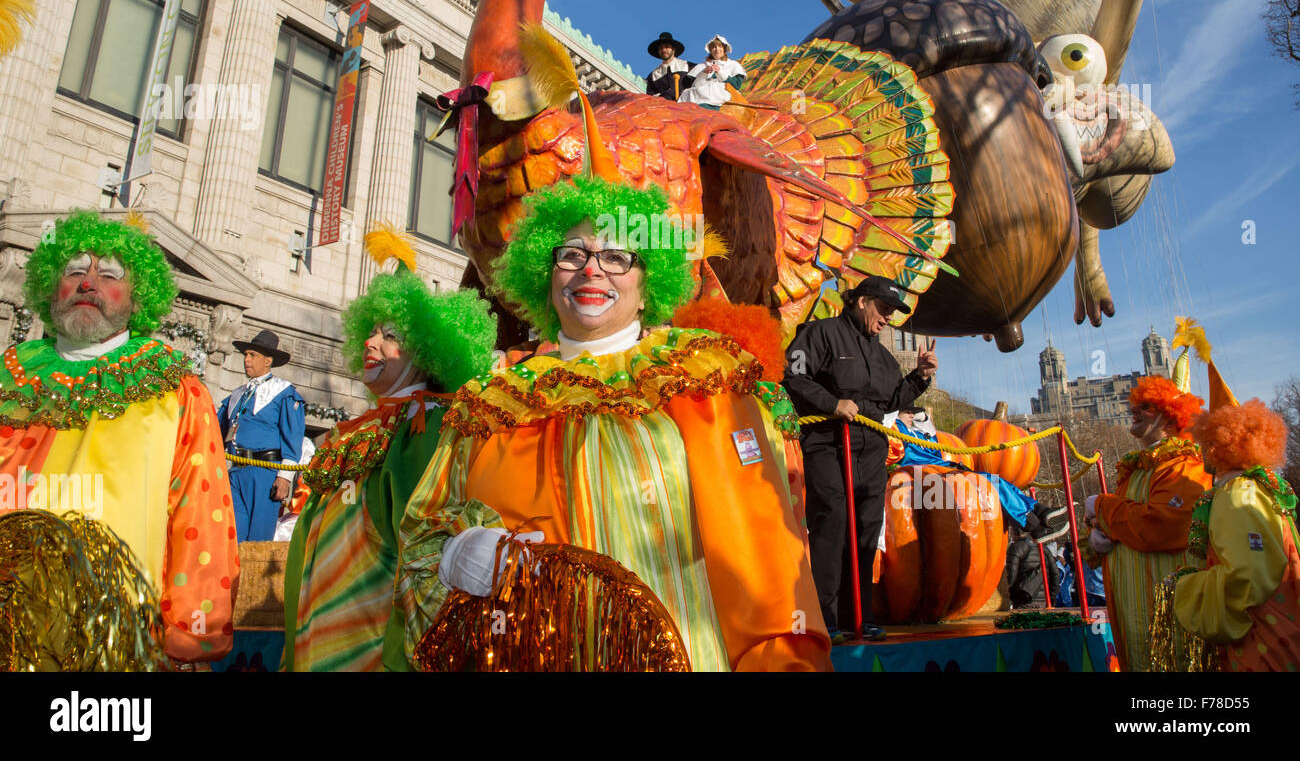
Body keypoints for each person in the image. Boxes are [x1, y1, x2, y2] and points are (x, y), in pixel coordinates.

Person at [399, 176, 830, 671]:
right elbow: (421, 538)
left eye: (617, 257)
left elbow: (767, 555)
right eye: (572, 255)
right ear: (546, 274)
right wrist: (456, 552)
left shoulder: (705, 380)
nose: (592, 270)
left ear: (648, 286)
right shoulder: (490, 403)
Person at [0, 210, 238, 663]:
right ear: (53, 289)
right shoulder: (8, 374)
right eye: (74, 271)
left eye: (108, 274)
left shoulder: (176, 389)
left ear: (136, 298)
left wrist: (193, 630)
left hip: (116, 633)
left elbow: (201, 515)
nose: (88, 283)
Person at [283, 231, 496, 671]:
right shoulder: (358, 429)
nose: (371, 342)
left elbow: (424, 545)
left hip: (376, 647)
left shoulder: (430, 423)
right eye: (370, 331)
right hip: (315, 639)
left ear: (425, 353)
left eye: (391, 335)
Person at [782, 276, 937, 643]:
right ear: (862, 301)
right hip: (827, 444)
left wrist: (921, 376)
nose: (887, 318)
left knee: (866, 532)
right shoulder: (819, 333)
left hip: (871, 451)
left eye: (893, 314)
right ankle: (825, 618)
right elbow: (793, 376)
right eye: (884, 309)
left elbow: (892, 400)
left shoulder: (883, 355)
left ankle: (860, 617)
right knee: (832, 523)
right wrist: (832, 404)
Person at [1083, 375, 1212, 671]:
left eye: (1146, 407)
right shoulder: (1137, 470)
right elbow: (1117, 522)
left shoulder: (1185, 466)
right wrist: (1095, 533)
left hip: (1172, 617)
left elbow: (1161, 527)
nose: (1133, 411)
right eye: (1135, 406)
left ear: (1170, 414)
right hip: (1134, 611)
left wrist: (1102, 506)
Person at [1174, 400, 1300, 671]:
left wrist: (1188, 587)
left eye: (1205, 442)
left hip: (1262, 639)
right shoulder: (1260, 488)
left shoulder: (1237, 494)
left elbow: (1246, 575)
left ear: (1218, 445)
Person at [890, 406, 1067, 541]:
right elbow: (900, 453)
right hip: (929, 476)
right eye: (908, 413)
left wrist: (923, 421)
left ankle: (1040, 512)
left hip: (946, 470)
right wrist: (898, 421)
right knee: (990, 482)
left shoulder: (918, 433)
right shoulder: (894, 429)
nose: (912, 417)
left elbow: (933, 449)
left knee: (998, 482)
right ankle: (1031, 523)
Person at [218, 329, 304, 542]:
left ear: (268, 361)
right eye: (245, 355)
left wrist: (284, 477)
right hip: (236, 472)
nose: (246, 360)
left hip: (265, 474)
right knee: (232, 537)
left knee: (258, 539)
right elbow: (216, 431)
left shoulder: (284, 392)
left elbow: (293, 437)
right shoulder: (236, 395)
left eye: (252, 355)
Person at [678, 34, 745, 108]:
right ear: (710, 50)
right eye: (713, 47)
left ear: (725, 49)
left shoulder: (733, 65)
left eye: (720, 46)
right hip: (700, 96)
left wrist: (720, 73)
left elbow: (736, 85)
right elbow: (693, 85)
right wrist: (703, 73)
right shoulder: (702, 66)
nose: (717, 50)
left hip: (722, 97)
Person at [1006, 523, 1060, 608]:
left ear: (1016, 531)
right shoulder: (1044, 549)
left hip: (1023, 599)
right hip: (1043, 601)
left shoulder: (1016, 548)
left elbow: (1010, 576)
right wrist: (1051, 599)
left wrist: (1005, 596)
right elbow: (1055, 575)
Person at [644, 30, 694, 101]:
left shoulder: (687, 66)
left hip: (686, 108)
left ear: (673, 49)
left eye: (667, 47)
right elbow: (650, 98)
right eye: (661, 48)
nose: (664, 50)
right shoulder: (653, 76)